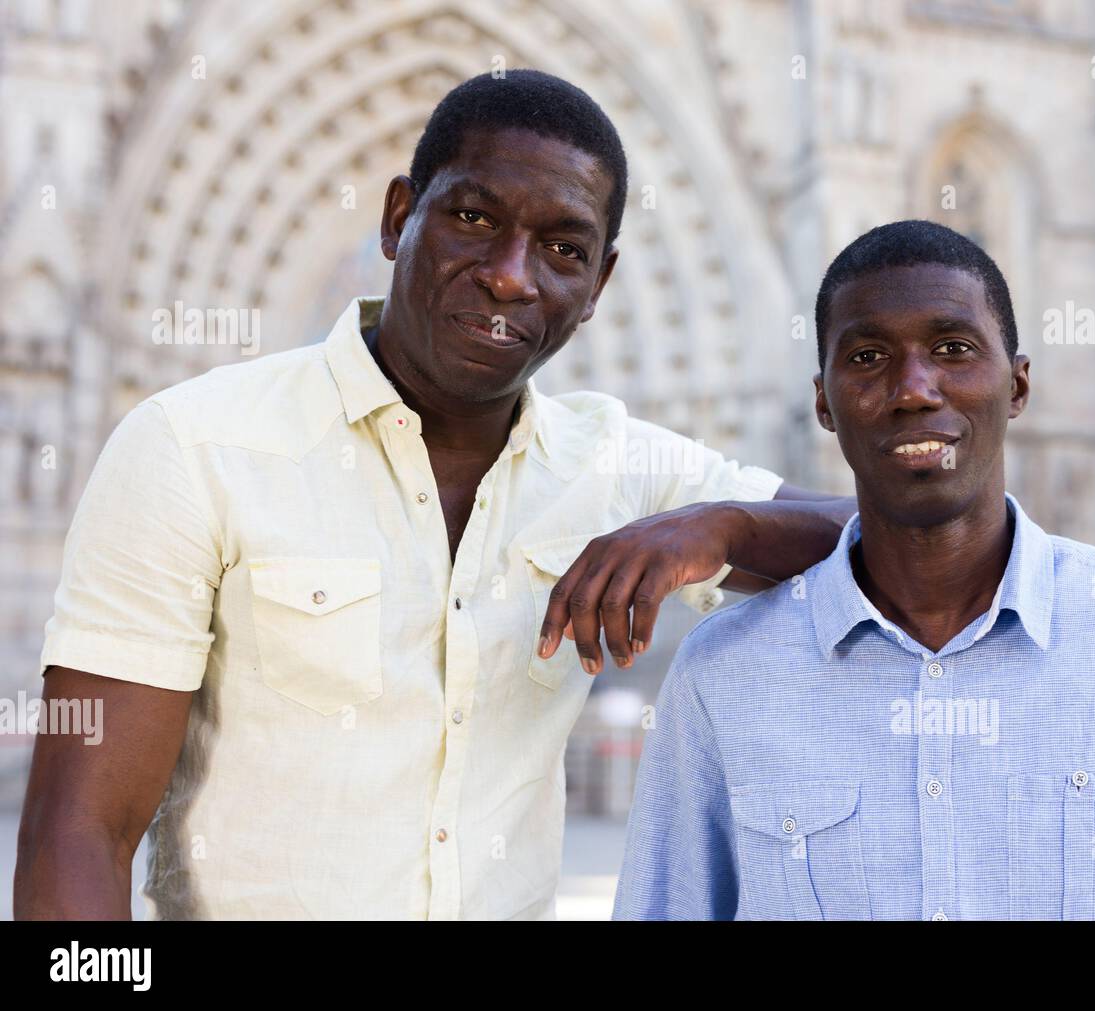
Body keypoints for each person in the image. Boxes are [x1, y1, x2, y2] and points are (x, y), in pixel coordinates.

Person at [15, 70, 854, 920]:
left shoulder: (614, 465)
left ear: (600, 286)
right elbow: (79, 833)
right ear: (396, 219)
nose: (509, 277)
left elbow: (909, 539)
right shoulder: (195, 448)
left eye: (564, 249)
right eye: (474, 219)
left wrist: (723, 526)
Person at [613, 219, 1095, 920]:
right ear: (824, 400)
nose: (914, 388)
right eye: (869, 355)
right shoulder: (722, 676)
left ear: (1019, 384)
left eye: (953, 348)